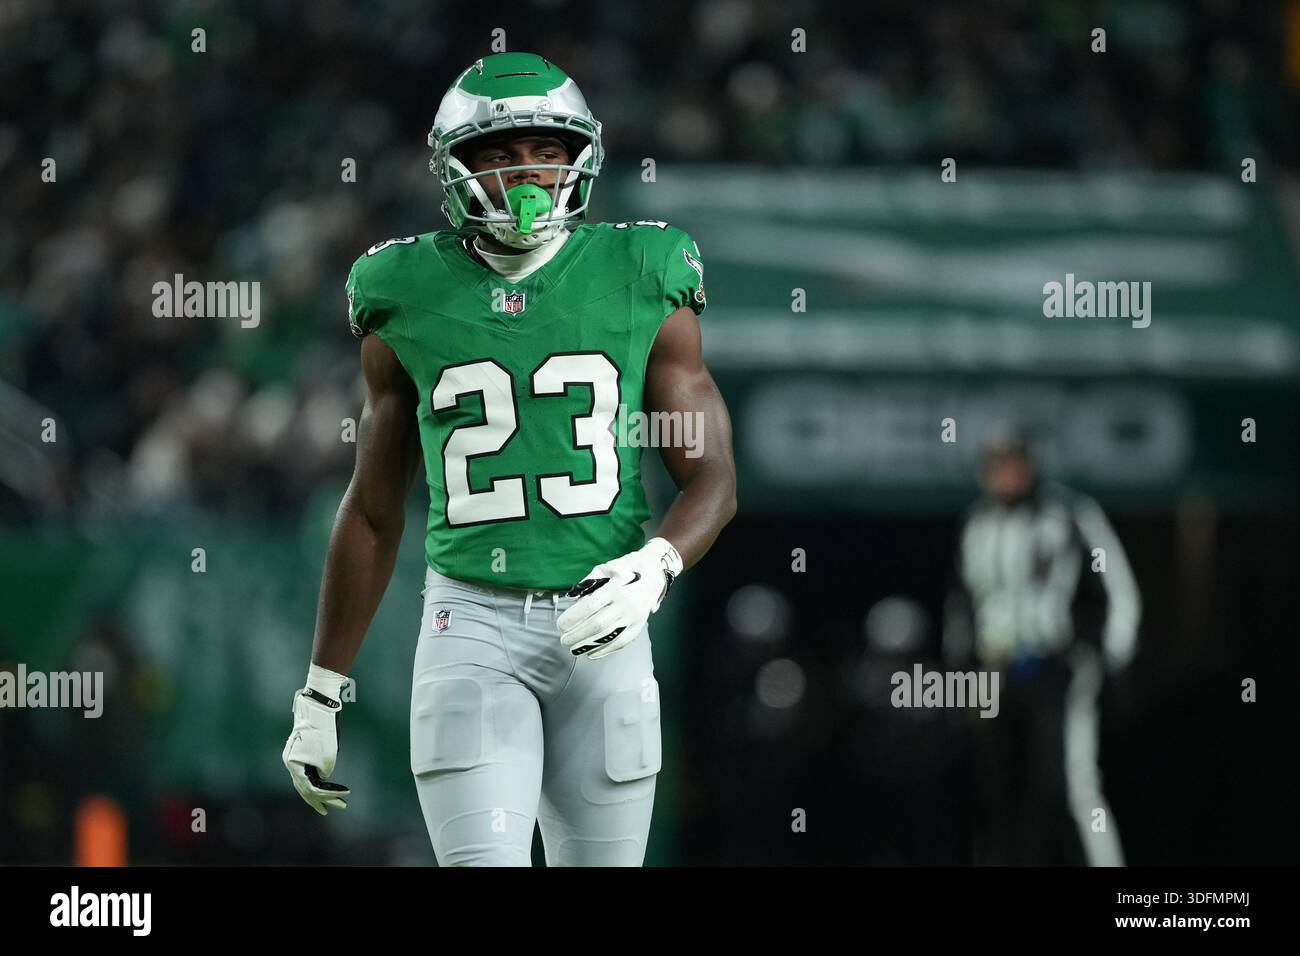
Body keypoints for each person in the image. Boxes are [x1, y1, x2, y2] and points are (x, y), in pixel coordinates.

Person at [281, 52, 737, 866]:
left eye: (547, 150)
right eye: (498, 153)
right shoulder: (403, 287)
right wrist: (321, 688)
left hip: (607, 618)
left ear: (580, 158)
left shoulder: (641, 270)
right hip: (471, 623)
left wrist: (656, 565)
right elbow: (376, 506)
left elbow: (712, 475)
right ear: (454, 166)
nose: (526, 171)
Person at [944, 426, 1139, 866]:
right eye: (996, 465)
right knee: (997, 791)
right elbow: (961, 605)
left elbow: (1118, 590)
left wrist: (1110, 659)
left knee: (1069, 786)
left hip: (1054, 666)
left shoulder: (1069, 514)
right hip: (992, 672)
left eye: (1013, 463)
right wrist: (961, 675)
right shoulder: (975, 523)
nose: (1005, 475)